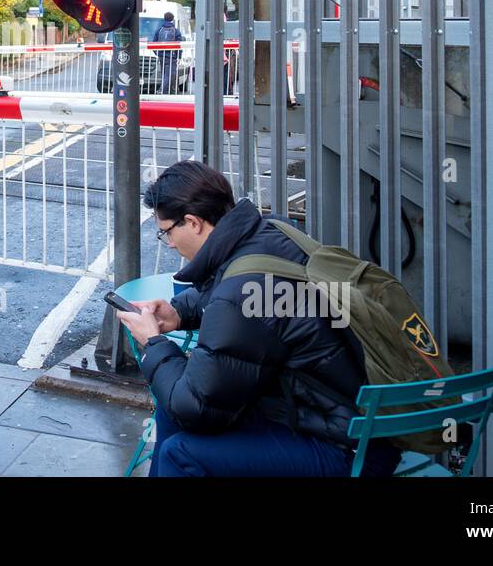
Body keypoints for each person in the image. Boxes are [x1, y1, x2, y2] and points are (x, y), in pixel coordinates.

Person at [116, 160, 402, 477]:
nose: (168, 242)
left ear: (193, 223)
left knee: (180, 452)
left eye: (166, 231)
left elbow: (195, 407)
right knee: (173, 412)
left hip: (346, 449)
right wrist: (179, 312)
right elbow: (249, 292)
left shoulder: (237, 293)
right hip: (342, 419)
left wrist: (152, 343)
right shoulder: (271, 232)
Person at [153, 12, 182, 95]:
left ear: (164, 18)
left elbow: (154, 43)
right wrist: (179, 56)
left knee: (164, 74)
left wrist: (158, 53)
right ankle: (161, 91)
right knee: (169, 75)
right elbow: (179, 45)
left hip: (162, 56)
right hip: (171, 57)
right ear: (172, 19)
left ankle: (168, 92)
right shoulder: (176, 31)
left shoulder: (159, 30)